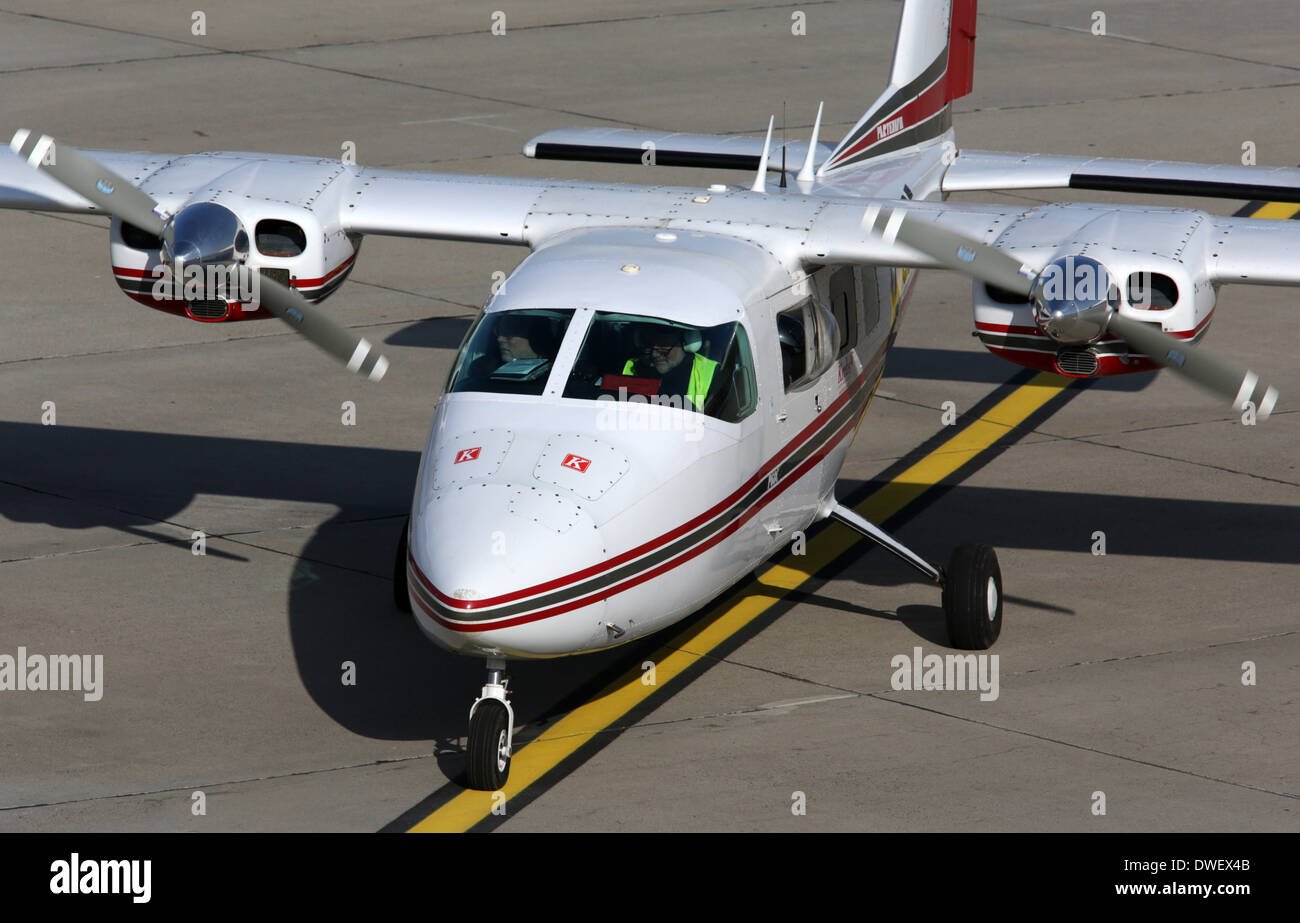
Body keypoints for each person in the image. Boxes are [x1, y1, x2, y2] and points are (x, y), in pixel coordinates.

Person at [621, 324, 717, 412]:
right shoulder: (631, 366)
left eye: (663, 346)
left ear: (688, 342)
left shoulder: (713, 374)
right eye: (648, 345)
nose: (654, 354)